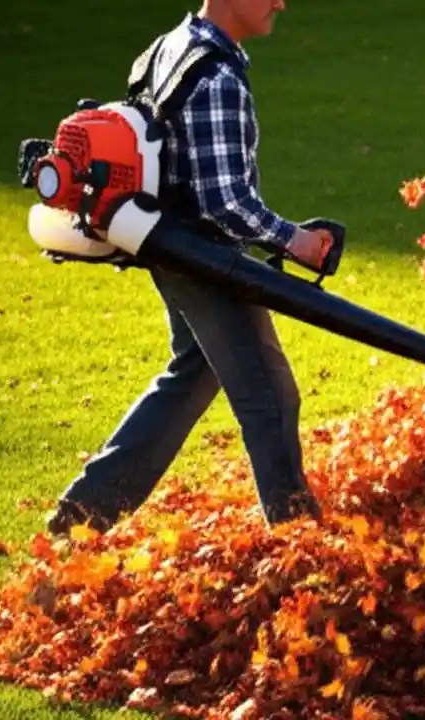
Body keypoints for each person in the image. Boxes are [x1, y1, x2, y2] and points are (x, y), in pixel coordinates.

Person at [46, 0, 332, 536]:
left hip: (166, 244)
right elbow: (225, 203)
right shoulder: (216, 75)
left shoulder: (167, 48)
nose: (279, 2)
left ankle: (82, 516)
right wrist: (296, 241)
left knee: (194, 371)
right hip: (205, 257)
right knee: (269, 395)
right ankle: (300, 543)